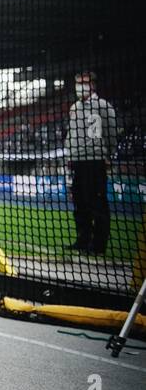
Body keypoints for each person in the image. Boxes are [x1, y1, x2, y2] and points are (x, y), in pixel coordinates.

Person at [64, 70, 118, 255]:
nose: (80, 87)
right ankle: (83, 239)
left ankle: (98, 245)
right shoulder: (74, 108)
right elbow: (71, 134)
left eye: (84, 82)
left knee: (97, 203)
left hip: (95, 161)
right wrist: (69, 155)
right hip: (77, 161)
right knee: (80, 204)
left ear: (93, 85)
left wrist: (107, 154)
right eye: (78, 83)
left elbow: (111, 133)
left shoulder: (103, 106)